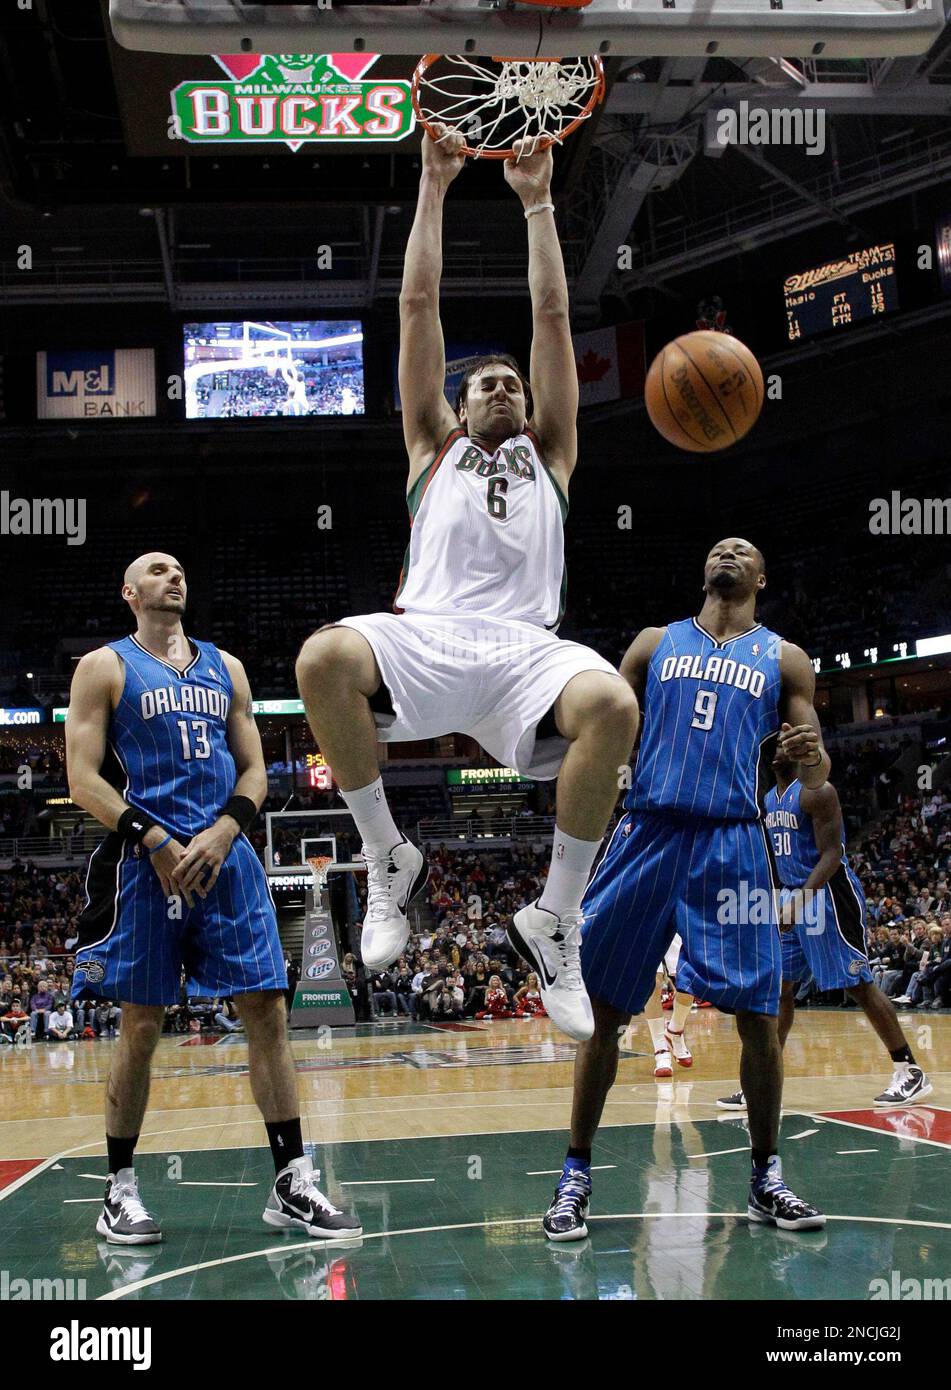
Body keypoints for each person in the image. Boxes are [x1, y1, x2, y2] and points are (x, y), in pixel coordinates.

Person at [295, 125, 638, 1043]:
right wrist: (434, 184)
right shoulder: (428, 444)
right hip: (427, 633)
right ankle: (386, 856)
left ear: (528, 405)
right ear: (459, 398)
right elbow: (415, 304)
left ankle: (552, 918)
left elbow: (555, 319)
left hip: (528, 651)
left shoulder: (552, 455)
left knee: (611, 702)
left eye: (509, 384)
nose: (498, 388)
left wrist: (536, 202)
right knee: (323, 656)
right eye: (483, 381)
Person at [66, 552, 360, 1244]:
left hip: (228, 862)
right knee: (141, 1027)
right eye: (157, 569)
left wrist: (227, 831)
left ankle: (292, 1183)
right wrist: (155, 839)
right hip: (149, 867)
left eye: (179, 568)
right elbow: (82, 779)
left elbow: (255, 768)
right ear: (129, 592)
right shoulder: (104, 667)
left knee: (266, 1013)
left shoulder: (225, 667)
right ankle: (120, 1191)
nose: (174, 575)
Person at [542, 538, 829, 1240]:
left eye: (744, 551)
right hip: (644, 832)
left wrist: (809, 756)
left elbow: (816, 775)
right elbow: (597, 726)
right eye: (717, 548)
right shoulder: (651, 644)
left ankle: (766, 1176)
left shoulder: (784, 657)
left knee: (760, 1016)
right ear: (703, 570)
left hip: (734, 840)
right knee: (603, 1012)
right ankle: (574, 1174)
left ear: (760, 576)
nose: (728, 552)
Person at [718, 760, 931, 1111]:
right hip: (790, 895)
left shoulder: (818, 790)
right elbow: (774, 859)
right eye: (778, 736)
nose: (781, 743)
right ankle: (764, 1075)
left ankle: (909, 1069)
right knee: (779, 989)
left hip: (828, 896)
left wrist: (800, 900)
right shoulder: (768, 799)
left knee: (858, 982)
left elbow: (833, 854)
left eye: (790, 736)